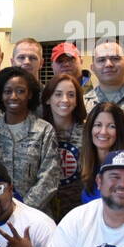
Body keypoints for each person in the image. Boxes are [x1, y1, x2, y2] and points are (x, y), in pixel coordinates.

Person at [0, 66, 60, 213]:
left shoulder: (44, 130)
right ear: (0, 95)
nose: (14, 96)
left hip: (35, 216)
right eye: (7, 91)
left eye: (20, 91)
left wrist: (22, 210)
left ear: (29, 94)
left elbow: (49, 179)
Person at [40, 72, 88, 218]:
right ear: (48, 99)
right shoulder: (38, 131)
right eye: (58, 94)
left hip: (81, 209)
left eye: (71, 95)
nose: (65, 100)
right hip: (46, 208)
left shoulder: (88, 130)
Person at [79, 101, 124, 205]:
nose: (103, 131)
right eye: (98, 125)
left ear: (120, 131)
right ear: (90, 129)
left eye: (111, 126)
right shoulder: (84, 162)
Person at [86, 39, 124, 118]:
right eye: (101, 60)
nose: (108, 64)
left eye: (115, 58)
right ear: (92, 68)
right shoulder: (84, 103)